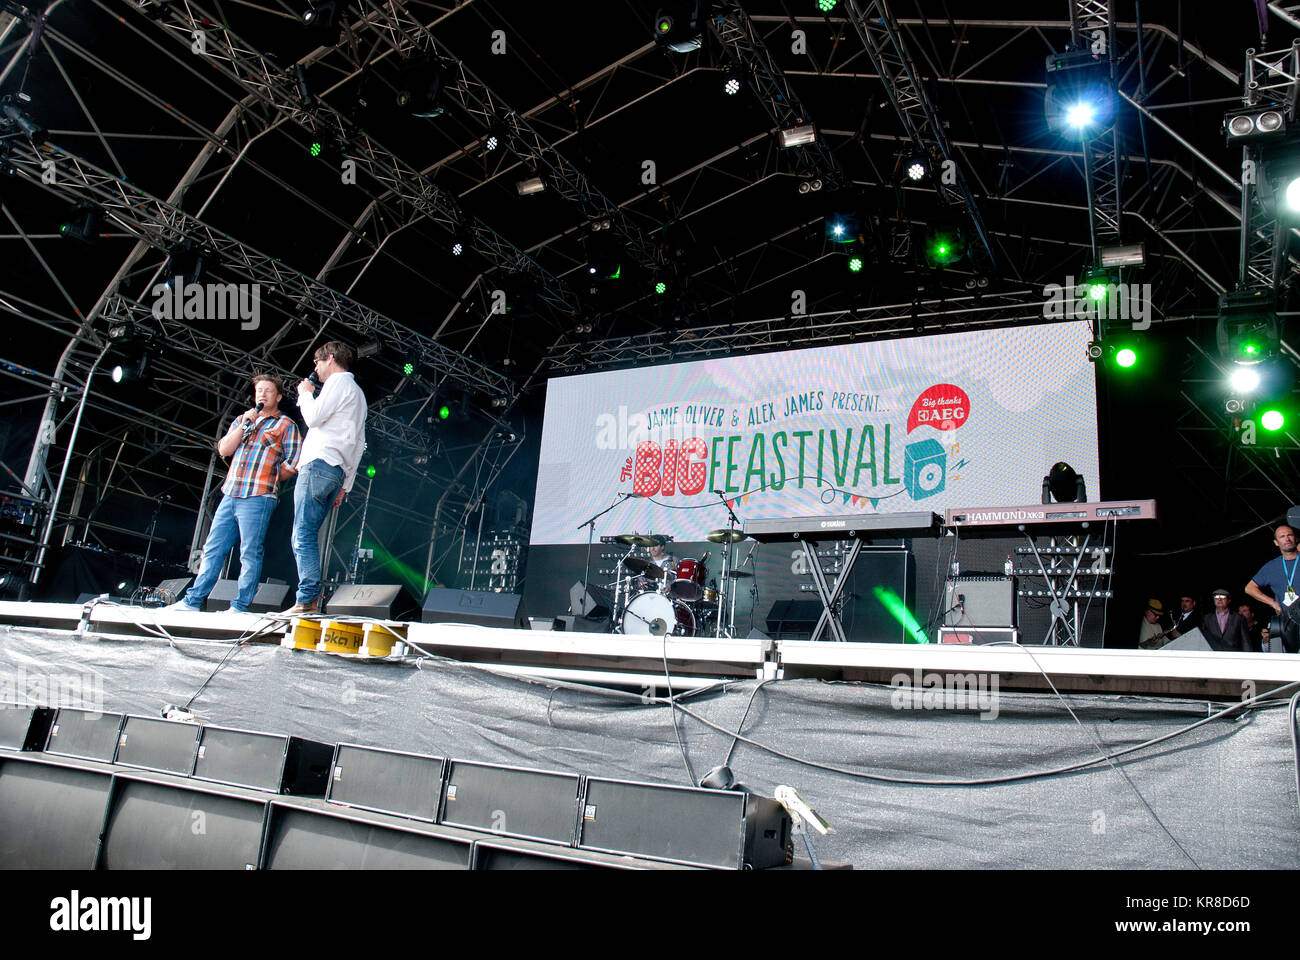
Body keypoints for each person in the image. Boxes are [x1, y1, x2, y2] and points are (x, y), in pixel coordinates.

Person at [171, 373, 300, 613]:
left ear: (278, 396)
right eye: (259, 390)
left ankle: (240, 606)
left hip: (258, 496)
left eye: (268, 390)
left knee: (249, 552)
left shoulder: (285, 425)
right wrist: (243, 425)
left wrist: (269, 478)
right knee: (213, 548)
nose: (262, 394)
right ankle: (192, 601)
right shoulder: (243, 419)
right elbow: (224, 449)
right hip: (231, 492)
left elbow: (293, 461)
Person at [283, 342, 366, 615]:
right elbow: (359, 444)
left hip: (319, 464)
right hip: (336, 470)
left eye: (317, 363)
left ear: (329, 359)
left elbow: (314, 418)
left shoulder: (337, 383)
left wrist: (306, 395)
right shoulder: (358, 394)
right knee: (308, 535)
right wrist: (345, 484)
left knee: (302, 535)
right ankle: (309, 598)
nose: (315, 369)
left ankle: (307, 598)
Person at [1245, 524, 1300, 652]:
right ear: (1276, 543)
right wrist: (1272, 602)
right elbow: (1250, 588)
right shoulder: (1272, 566)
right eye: (1282, 536)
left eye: (1289, 535)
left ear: (1296, 538)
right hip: (1286, 624)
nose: (1287, 539)